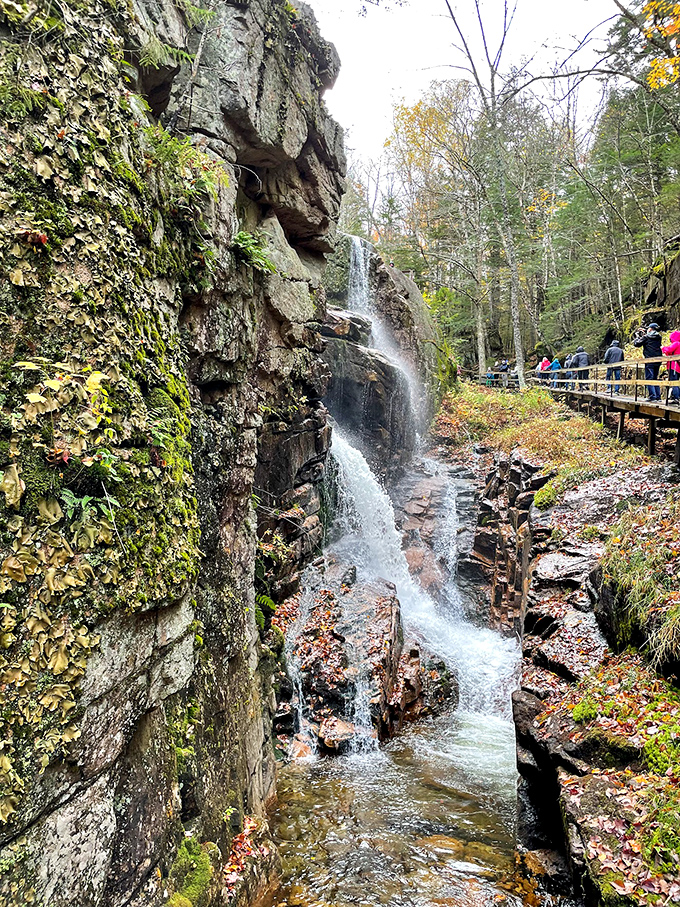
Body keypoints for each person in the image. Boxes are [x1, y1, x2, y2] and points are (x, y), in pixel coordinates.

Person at [633, 323, 663, 401]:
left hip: (649, 360)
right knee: (655, 378)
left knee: (649, 378)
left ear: (650, 329)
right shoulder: (659, 337)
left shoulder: (646, 337)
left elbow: (637, 344)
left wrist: (637, 337)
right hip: (658, 359)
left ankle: (652, 396)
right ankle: (658, 397)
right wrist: (645, 331)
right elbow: (651, 334)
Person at [662, 330, 680, 402]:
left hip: (673, 365)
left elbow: (669, 350)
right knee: (675, 381)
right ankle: (675, 396)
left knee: (673, 381)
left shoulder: (676, 343)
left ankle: (676, 397)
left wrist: (663, 348)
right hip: (677, 366)